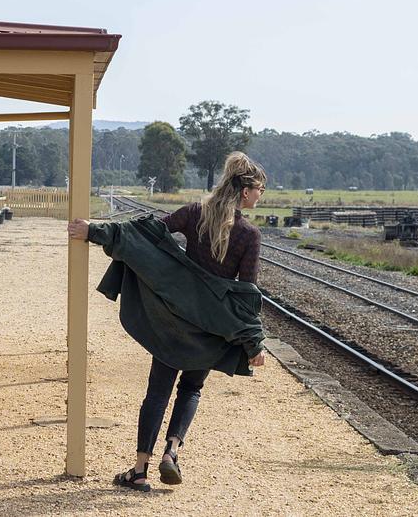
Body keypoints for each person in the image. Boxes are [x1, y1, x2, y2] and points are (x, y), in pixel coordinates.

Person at [67, 151, 268, 492]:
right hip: (209, 332)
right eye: (260, 190)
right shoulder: (249, 235)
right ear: (246, 191)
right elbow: (245, 295)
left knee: (157, 393)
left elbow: (145, 235)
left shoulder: (194, 214)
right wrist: (254, 344)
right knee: (191, 388)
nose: (261, 197)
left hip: (173, 321)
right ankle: (172, 453)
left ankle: (140, 469)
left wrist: (96, 232)